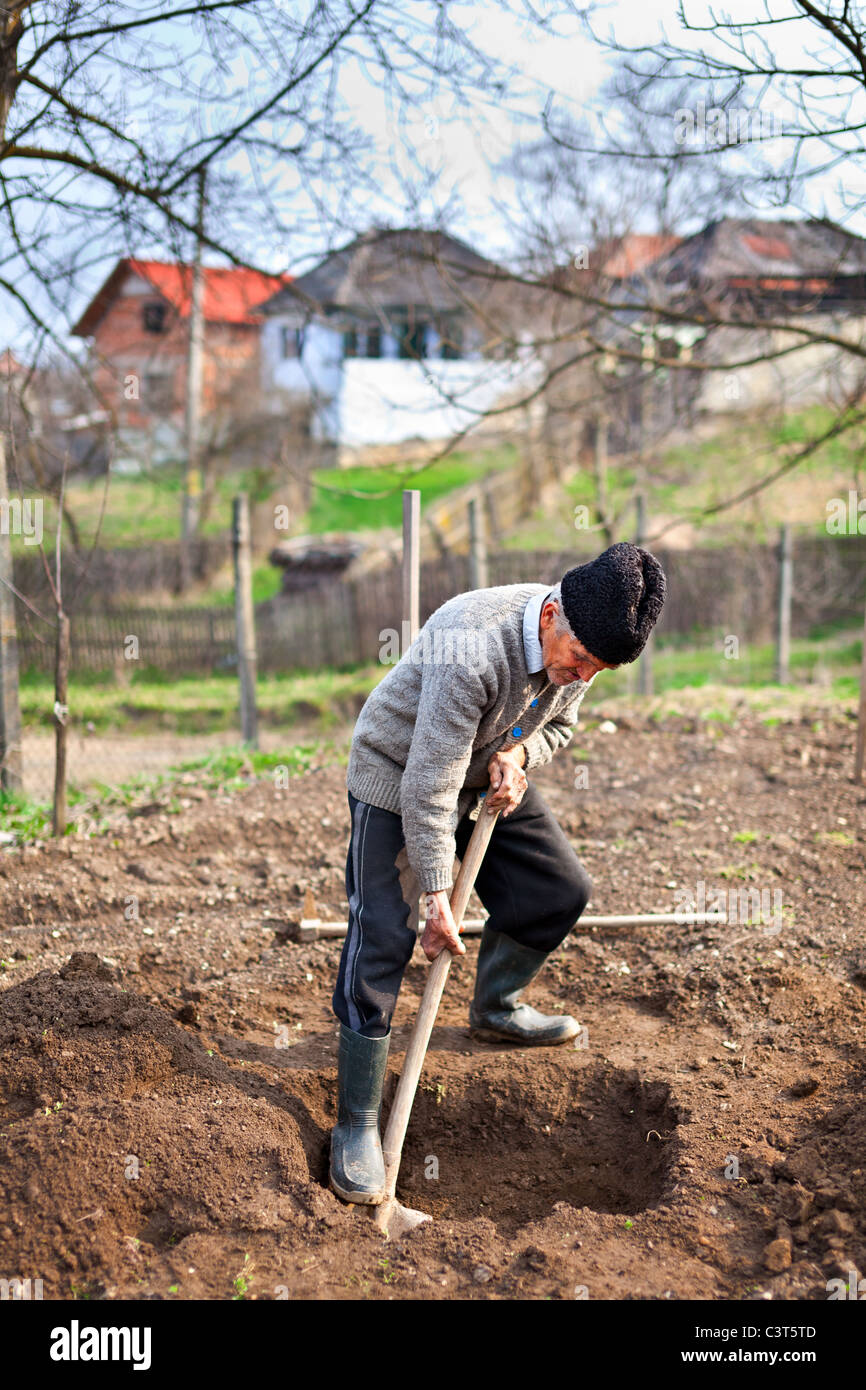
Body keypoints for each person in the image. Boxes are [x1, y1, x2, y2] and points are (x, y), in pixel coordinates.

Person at [329, 541, 667, 1203]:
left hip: (485, 774)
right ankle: (356, 1123)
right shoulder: (474, 646)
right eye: (578, 662)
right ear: (550, 618)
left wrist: (521, 756)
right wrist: (434, 895)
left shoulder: (582, 644)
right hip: (400, 776)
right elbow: (428, 783)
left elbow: (558, 727)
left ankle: (496, 1005)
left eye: (596, 670)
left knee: (557, 891)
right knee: (387, 938)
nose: (580, 677)